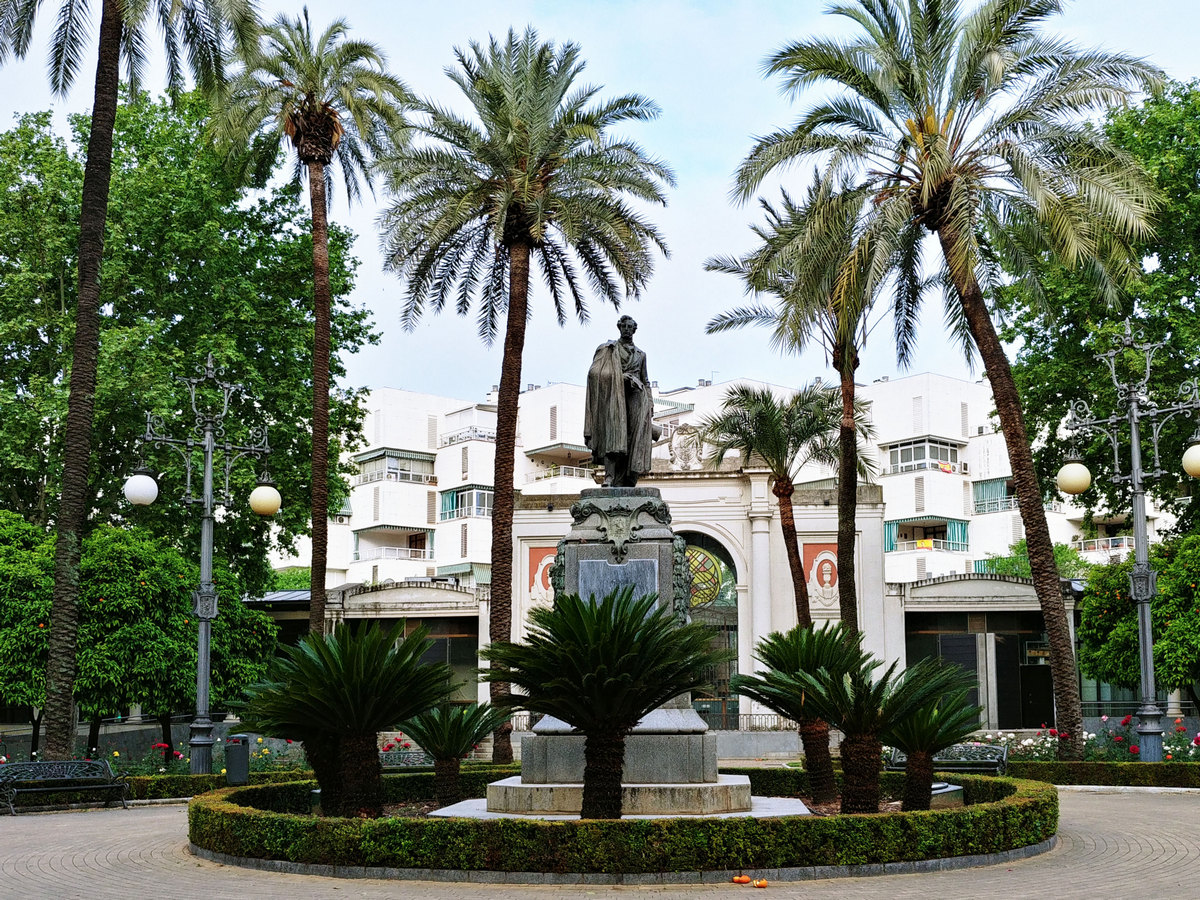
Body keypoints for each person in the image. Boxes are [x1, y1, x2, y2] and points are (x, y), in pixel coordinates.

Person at [584, 315, 656, 486]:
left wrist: (650, 402)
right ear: (619, 327)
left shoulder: (641, 354)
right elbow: (595, 373)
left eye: (630, 327)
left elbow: (646, 380)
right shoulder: (608, 349)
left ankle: (630, 478)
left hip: (637, 399)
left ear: (634, 330)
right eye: (624, 326)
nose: (627, 330)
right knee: (614, 435)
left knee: (634, 438)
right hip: (614, 398)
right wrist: (620, 377)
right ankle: (609, 477)